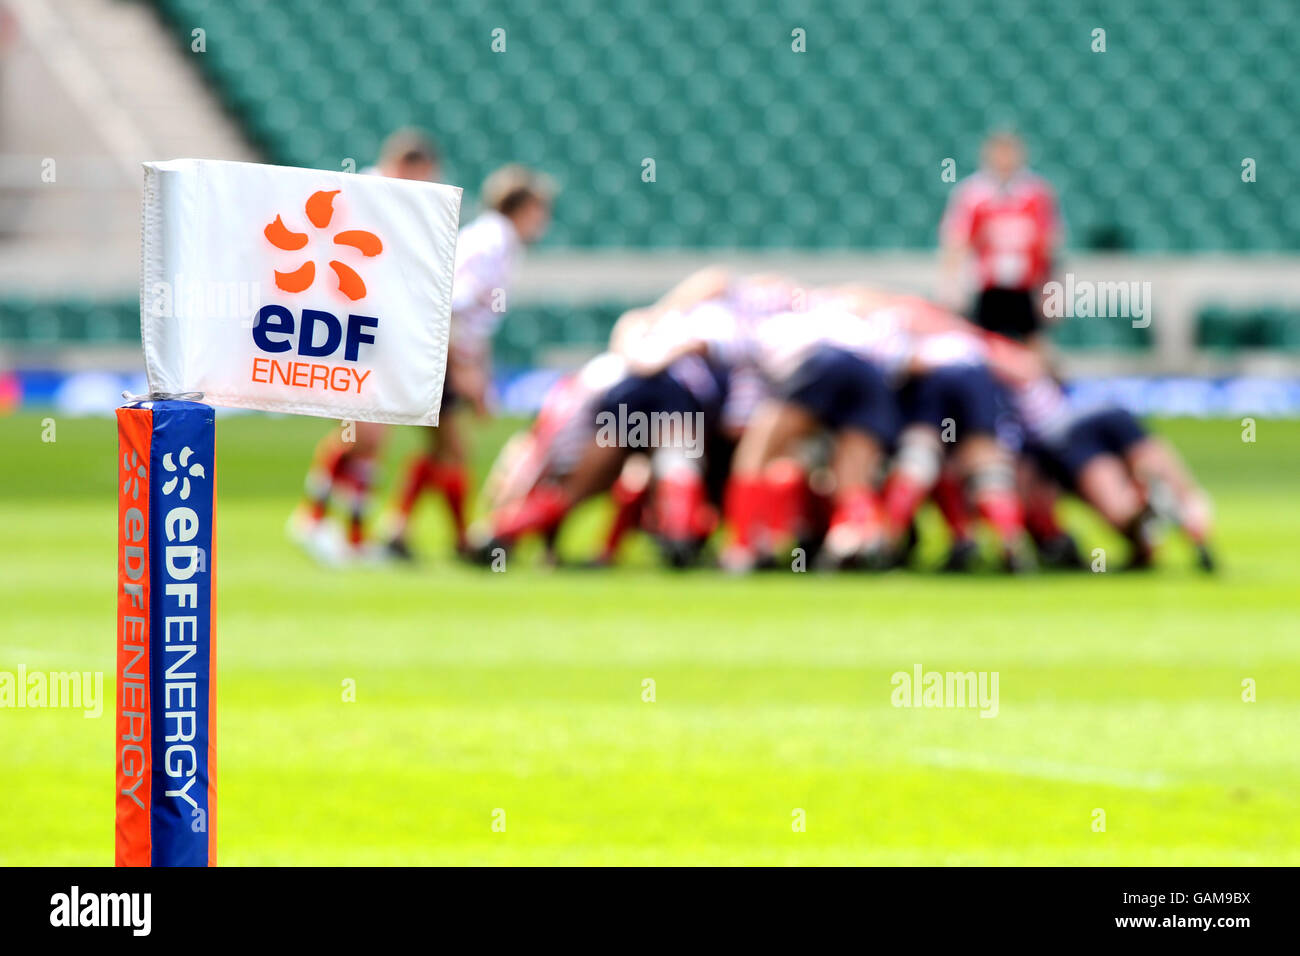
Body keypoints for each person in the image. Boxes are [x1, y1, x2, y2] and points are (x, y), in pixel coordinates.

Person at [381, 164, 555, 560]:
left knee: (444, 450)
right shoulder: (492, 245)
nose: (543, 220)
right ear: (523, 207)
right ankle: (457, 540)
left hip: (440, 353)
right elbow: (451, 306)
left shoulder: (494, 242)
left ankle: (403, 529)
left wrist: (480, 373)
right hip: (439, 353)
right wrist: (462, 368)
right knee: (454, 450)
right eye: (539, 210)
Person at [288, 128, 441, 563]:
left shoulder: (394, 203)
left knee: (376, 434)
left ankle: (352, 536)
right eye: (423, 175)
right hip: (349, 324)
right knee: (361, 430)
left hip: (380, 327)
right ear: (407, 167)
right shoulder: (368, 197)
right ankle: (312, 517)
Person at [939, 131, 1062, 348]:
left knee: (1033, 350)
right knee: (983, 348)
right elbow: (957, 241)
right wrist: (952, 285)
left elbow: (1049, 245)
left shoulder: (1036, 193)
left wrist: (1051, 291)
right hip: (987, 289)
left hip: (1024, 289)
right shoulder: (972, 194)